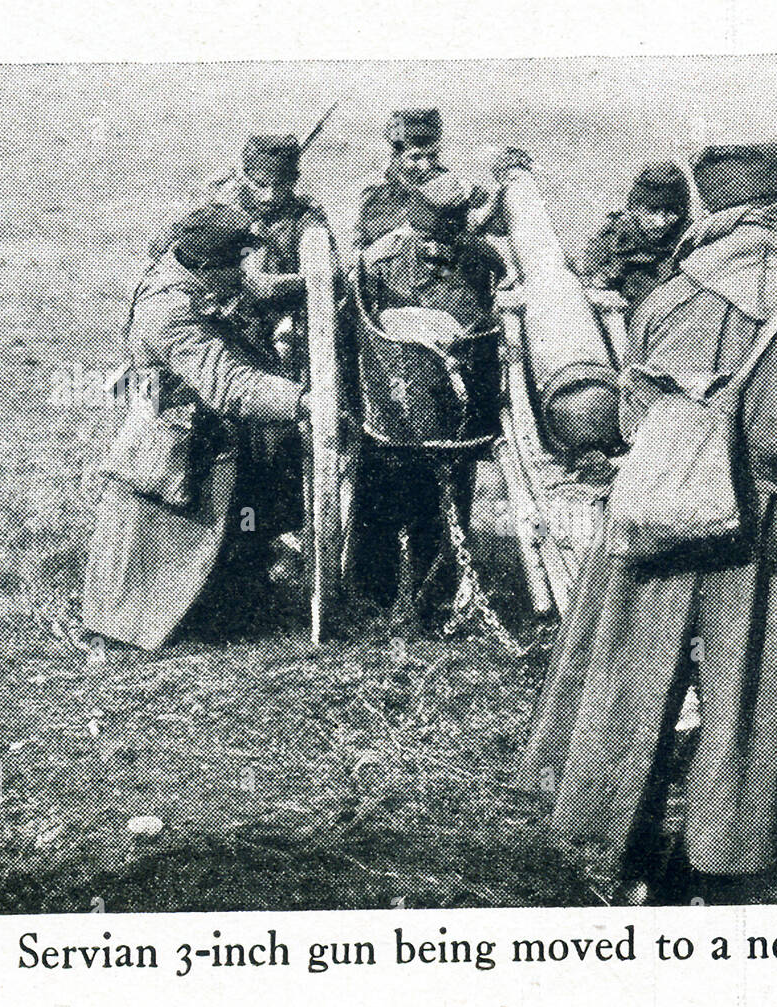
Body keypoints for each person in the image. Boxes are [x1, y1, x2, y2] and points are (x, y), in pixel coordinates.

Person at [513, 143, 777, 904]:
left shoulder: (668, 299)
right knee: (767, 691)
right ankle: (733, 857)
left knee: (636, 674)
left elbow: (633, 417)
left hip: (667, 510)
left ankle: (629, 843)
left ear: (714, 214)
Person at [82, 203, 309, 650]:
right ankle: (139, 624)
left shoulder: (187, 268)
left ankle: (236, 589)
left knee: (244, 522)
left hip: (208, 432)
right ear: (209, 267)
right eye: (235, 263)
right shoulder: (169, 313)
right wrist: (301, 400)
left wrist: (311, 283)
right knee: (167, 556)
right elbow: (229, 383)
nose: (242, 271)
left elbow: (249, 288)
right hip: (177, 443)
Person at [346, 170, 506, 625]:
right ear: (413, 229)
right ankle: (369, 591)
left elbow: (497, 306)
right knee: (380, 497)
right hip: (391, 401)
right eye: (431, 246)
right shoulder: (380, 263)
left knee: (445, 504)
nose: (441, 257)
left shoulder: (480, 260)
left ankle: (433, 595)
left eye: (449, 247)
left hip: (454, 408)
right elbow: (351, 317)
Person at [150, 134, 340, 370]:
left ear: (294, 181)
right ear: (244, 178)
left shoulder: (305, 217)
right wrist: (217, 211)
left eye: (280, 186)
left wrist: (291, 284)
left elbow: (328, 275)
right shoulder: (220, 204)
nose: (269, 195)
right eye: (260, 185)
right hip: (219, 317)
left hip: (281, 323)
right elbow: (160, 249)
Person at [575, 160, 692, 310]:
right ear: (634, 208)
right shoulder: (612, 239)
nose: (660, 222)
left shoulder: (690, 238)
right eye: (652, 211)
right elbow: (587, 286)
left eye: (671, 212)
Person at [354, 109, 449, 251]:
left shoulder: (451, 193)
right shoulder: (374, 196)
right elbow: (359, 255)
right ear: (396, 157)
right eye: (415, 157)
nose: (425, 166)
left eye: (432, 157)